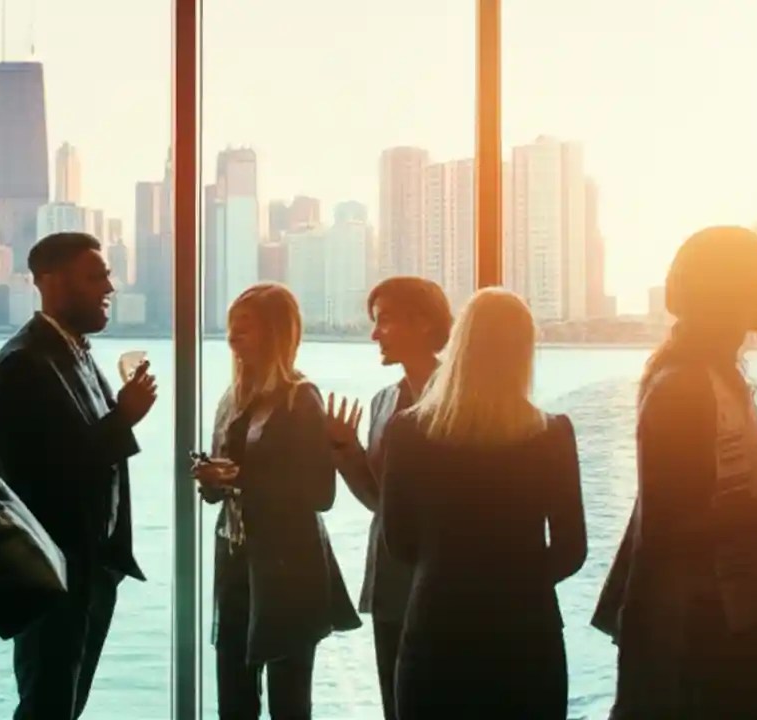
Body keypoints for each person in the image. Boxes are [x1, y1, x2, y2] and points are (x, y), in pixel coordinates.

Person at [593, 226, 757, 719]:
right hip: (695, 634)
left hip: (715, 621)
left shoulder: (718, 376)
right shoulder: (683, 387)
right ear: (731, 292)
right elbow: (672, 529)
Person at [379, 287, 587, 720]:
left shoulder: (407, 432)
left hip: (436, 629)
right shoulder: (552, 434)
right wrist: (515, 581)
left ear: (459, 345)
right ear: (524, 352)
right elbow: (572, 550)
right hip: (527, 635)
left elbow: (399, 542)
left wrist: (452, 571)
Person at [0, 231, 158, 720]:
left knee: (62, 706)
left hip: (89, 573)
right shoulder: (21, 365)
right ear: (53, 282)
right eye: (96, 276)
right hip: (53, 574)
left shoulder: (76, 353)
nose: (110, 287)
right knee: (47, 707)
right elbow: (38, 477)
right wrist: (123, 418)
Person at [194, 283, 361, 720]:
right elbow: (219, 493)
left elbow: (320, 494)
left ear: (274, 333)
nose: (232, 336)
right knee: (233, 699)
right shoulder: (232, 400)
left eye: (244, 327)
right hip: (236, 562)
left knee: (289, 702)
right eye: (231, 326)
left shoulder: (299, 398)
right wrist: (211, 480)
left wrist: (241, 478)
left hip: (289, 569)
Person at [325, 276, 452, 720]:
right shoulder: (383, 402)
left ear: (422, 323)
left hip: (444, 583)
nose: (374, 334)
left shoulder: (458, 398)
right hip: (391, 581)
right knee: (394, 703)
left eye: (383, 321)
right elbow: (380, 502)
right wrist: (346, 451)